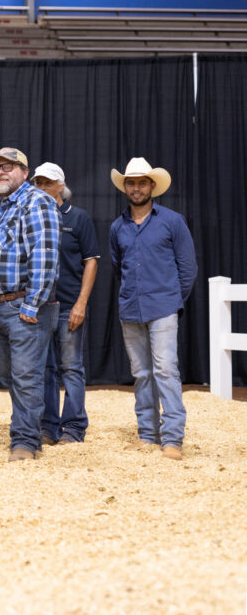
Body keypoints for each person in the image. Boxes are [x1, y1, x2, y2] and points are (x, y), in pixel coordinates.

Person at [0, 148, 59, 463]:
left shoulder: (38, 202)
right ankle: (28, 430)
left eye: (8, 167)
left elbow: (45, 256)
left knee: (26, 376)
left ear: (25, 172)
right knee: (10, 376)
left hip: (23, 304)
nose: (0, 172)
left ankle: (25, 442)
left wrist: (32, 305)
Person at [109, 157, 197, 461]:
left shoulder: (172, 221)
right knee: (142, 373)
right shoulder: (117, 226)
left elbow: (188, 269)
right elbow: (118, 266)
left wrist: (171, 299)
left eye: (142, 182)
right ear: (125, 187)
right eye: (131, 183)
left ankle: (172, 438)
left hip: (163, 307)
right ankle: (148, 435)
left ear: (152, 186)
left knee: (165, 370)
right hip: (130, 309)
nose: (136, 188)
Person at [32, 163, 99, 446]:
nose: (43, 188)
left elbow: (91, 261)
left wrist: (81, 303)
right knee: (45, 367)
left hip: (69, 302)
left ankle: (73, 427)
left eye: (48, 183)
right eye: (38, 183)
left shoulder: (79, 218)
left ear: (61, 185)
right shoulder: (31, 218)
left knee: (71, 366)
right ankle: (48, 426)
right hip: (41, 305)